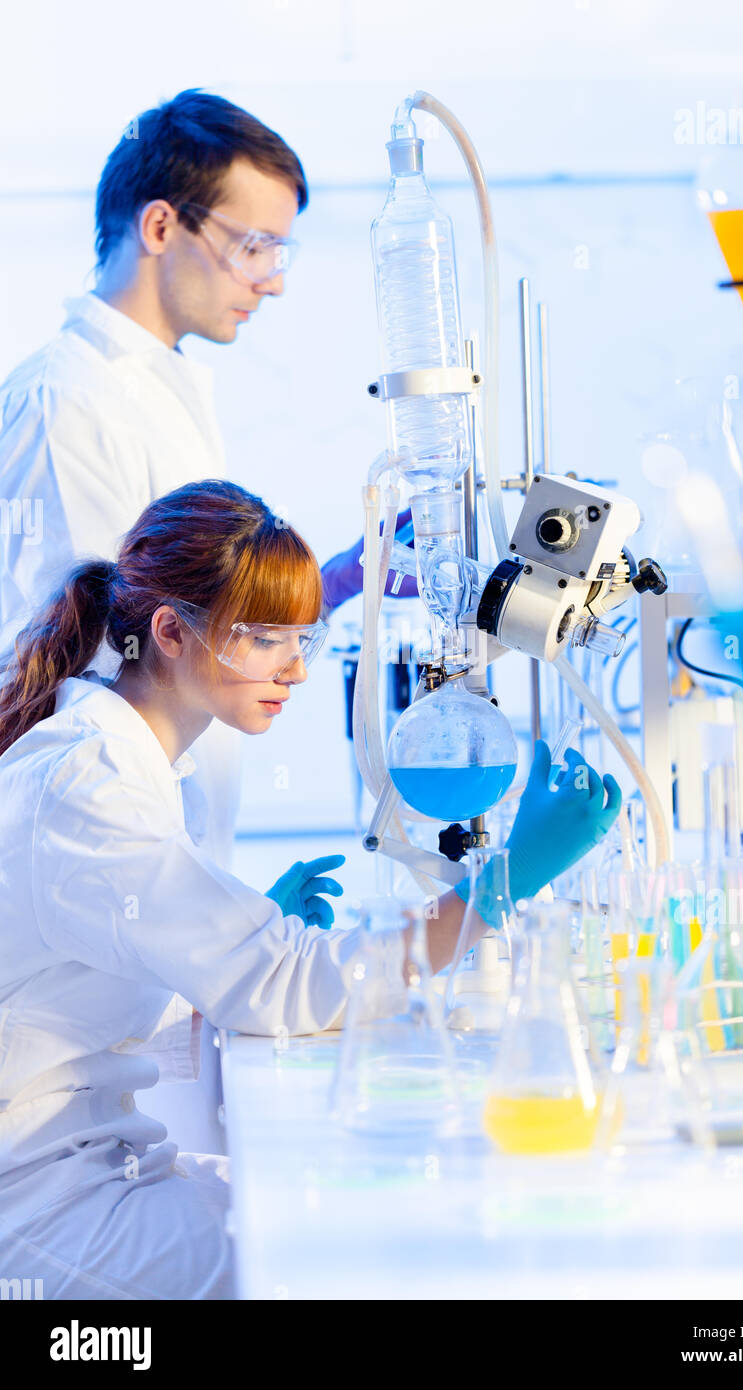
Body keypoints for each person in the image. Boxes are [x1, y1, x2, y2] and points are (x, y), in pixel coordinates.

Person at [0, 479, 621, 1300]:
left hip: (92, 1163)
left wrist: (241, 924)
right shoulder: (91, 782)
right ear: (170, 633)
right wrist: (507, 878)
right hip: (40, 1204)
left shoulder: (112, 751)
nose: (295, 667)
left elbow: (69, 980)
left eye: (305, 635)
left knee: (338, 1218)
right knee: (329, 1268)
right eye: (266, 639)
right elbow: (283, 984)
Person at [0, 88, 414, 1153]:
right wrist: (210, 927)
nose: (272, 277)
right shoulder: (69, 401)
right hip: (80, 983)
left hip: (140, 938)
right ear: (159, 227)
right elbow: (115, 647)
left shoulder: (159, 385)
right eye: (254, 245)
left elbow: (181, 614)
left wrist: (341, 577)